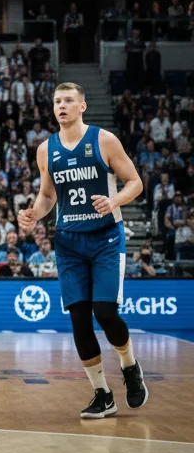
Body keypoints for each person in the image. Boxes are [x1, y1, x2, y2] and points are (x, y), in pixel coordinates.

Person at [18, 82, 147, 419]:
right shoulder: (46, 149)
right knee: (79, 319)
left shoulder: (103, 140)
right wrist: (34, 213)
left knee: (105, 312)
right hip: (69, 243)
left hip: (105, 238)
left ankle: (129, 365)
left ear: (82, 106)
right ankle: (102, 393)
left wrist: (114, 199)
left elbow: (135, 182)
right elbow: (48, 196)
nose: (62, 106)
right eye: (57, 101)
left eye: (68, 101)